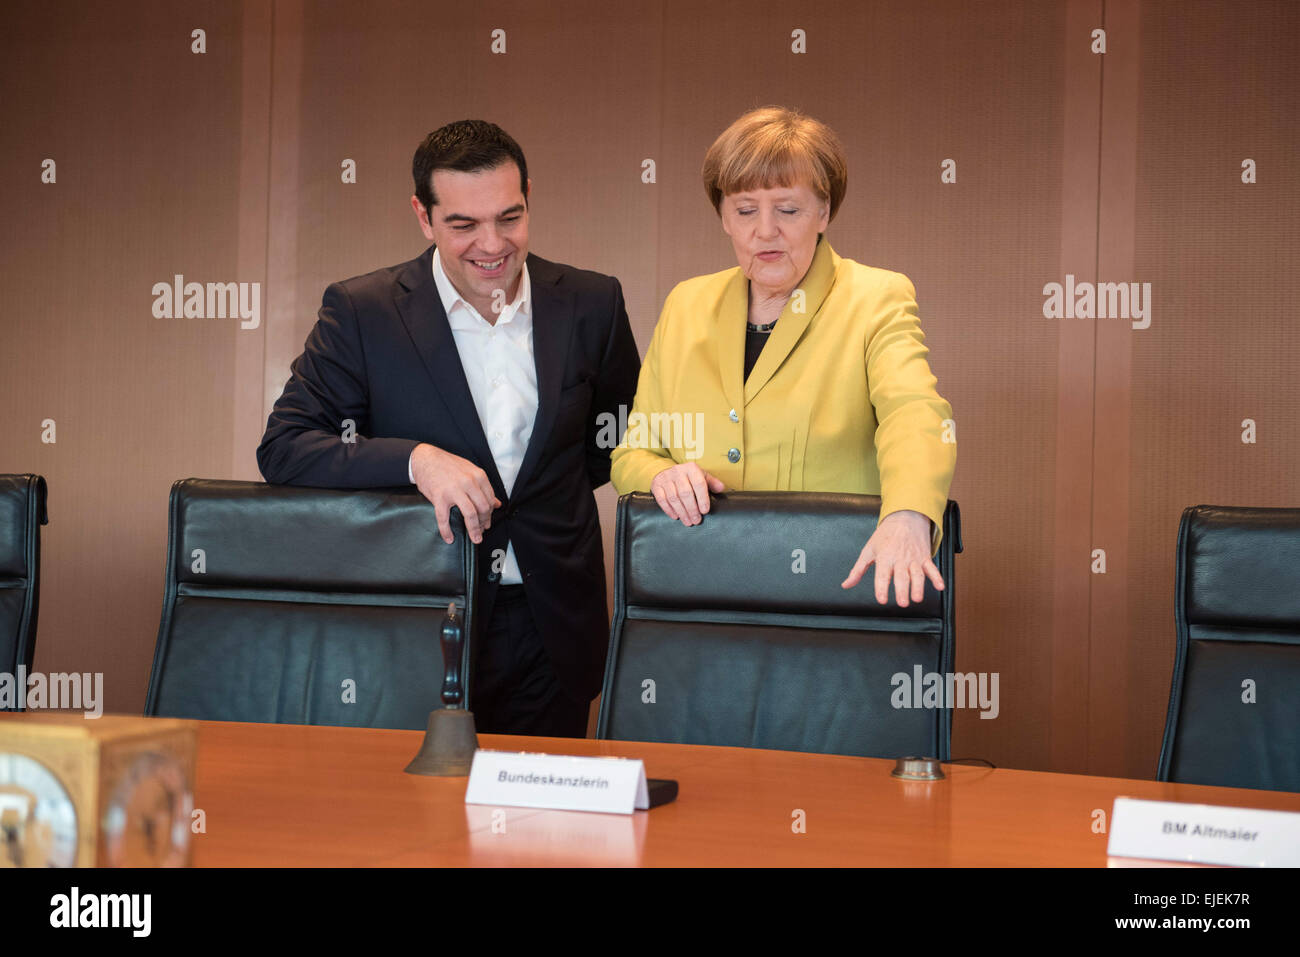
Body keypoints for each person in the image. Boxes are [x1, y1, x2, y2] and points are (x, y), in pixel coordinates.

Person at [258, 120, 640, 736]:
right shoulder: (363, 311)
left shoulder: (593, 302)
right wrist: (415, 461)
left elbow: (617, 438)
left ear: (528, 199)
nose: (492, 244)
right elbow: (285, 448)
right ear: (423, 215)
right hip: (422, 620)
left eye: (509, 218)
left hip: (556, 625)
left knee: (539, 823)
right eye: (463, 225)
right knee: (419, 820)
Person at [610, 106, 955, 607]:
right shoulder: (686, 303)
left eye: (788, 210)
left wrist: (909, 512)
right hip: (703, 585)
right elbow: (633, 451)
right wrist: (660, 476)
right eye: (745, 210)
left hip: (834, 587)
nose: (765, 231)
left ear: (824, 212)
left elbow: (915, 413)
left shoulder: (876, 296)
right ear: (724, 217)